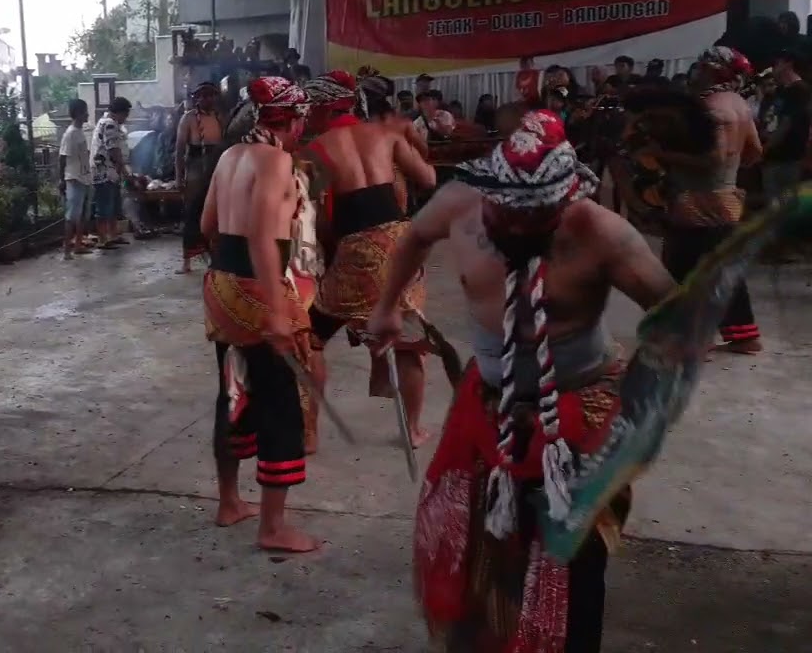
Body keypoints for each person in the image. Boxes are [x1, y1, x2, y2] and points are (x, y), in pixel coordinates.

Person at [367, 109, 677, 652]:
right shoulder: (461, 203)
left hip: (581, 403)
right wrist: (387, 306)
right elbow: (414, 237)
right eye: (505, 215)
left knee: (573, 550)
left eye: (533, 220)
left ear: (565, 201)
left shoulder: (600, 232)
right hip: (490, 404)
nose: (513, 228)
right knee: (485, 537)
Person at [201, 76, 319, 553]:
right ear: (291, 120)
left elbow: (209, 224)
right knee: (280, 402)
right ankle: (273, 527)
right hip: (256, 286)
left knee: (233, 391)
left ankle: (230, 502)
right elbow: (260, 236)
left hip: (221, 284)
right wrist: (273, 310)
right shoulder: (278, 161)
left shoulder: (230, 156)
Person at [302, 74, 437, 447]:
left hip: (357, 246)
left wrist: (331, 254)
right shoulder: (385, 134)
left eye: (309, 111)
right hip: (402, 242)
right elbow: (427, 178)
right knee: (407, 341)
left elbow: (315, 218)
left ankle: (308, 432)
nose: (306, 118)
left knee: (310, 336)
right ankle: (411, 430)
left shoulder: (314, 151)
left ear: (323, 109)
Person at [664, 46, 762, 352]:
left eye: (702, 67)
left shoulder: (710, 108)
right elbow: (755, 152)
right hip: (727, 199)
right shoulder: (741, 106)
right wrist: (731, 170)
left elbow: (713, 158)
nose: (697, 72)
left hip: (698, 203)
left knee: (681, 267)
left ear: (711, 71)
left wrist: (660, 154)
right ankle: (746, 337)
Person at [177, 83, 224, 273]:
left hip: (218, 166)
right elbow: (179, 151)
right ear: (197, 98)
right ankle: (187, 261)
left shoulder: (221, 117)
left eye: (211, 95)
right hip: (196, 168)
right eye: (203, 96)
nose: (207, 99)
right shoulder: (188, 119)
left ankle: (216, 258)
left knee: (218, 214)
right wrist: (179, 177)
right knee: (192, 213)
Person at [761, 49, 810, 207]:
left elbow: (786, 124)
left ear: (788, 64)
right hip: (775, 159)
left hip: (787, 159)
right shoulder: (782, 91)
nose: (774, 67)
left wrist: (764, 149)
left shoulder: (800, 90)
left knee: (782, 210)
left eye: (777, 63)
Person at [91, 97, 133, 250]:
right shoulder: (109, 124)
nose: (125, 119)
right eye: (126, 115)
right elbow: (113, 150)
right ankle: (103, 239)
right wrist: (123, 169)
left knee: (113, 205)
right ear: (120, 113)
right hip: (104, 172)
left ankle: (113, 235)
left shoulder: (108, 122)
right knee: (104, 206)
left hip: (110, 172)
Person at [60, 98, 93, 259]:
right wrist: (62, 180)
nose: (87, 114)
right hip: (74, 178)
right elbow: (62, 157)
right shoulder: (71, 133)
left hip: (83, 177)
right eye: (85, 111)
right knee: (72, 215)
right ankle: (67, 250)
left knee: (79, 215)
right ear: (79, 114)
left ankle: (78, 245)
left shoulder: (79, 131)